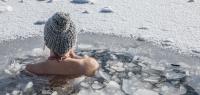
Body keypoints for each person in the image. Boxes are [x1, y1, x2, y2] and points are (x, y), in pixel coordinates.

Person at [25, 12, 99, 78]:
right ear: (73, 41)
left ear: (46, 41)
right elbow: (94, 64)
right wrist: (76, 56)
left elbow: (27, 69)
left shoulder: (33, 68)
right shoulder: (83, 66)